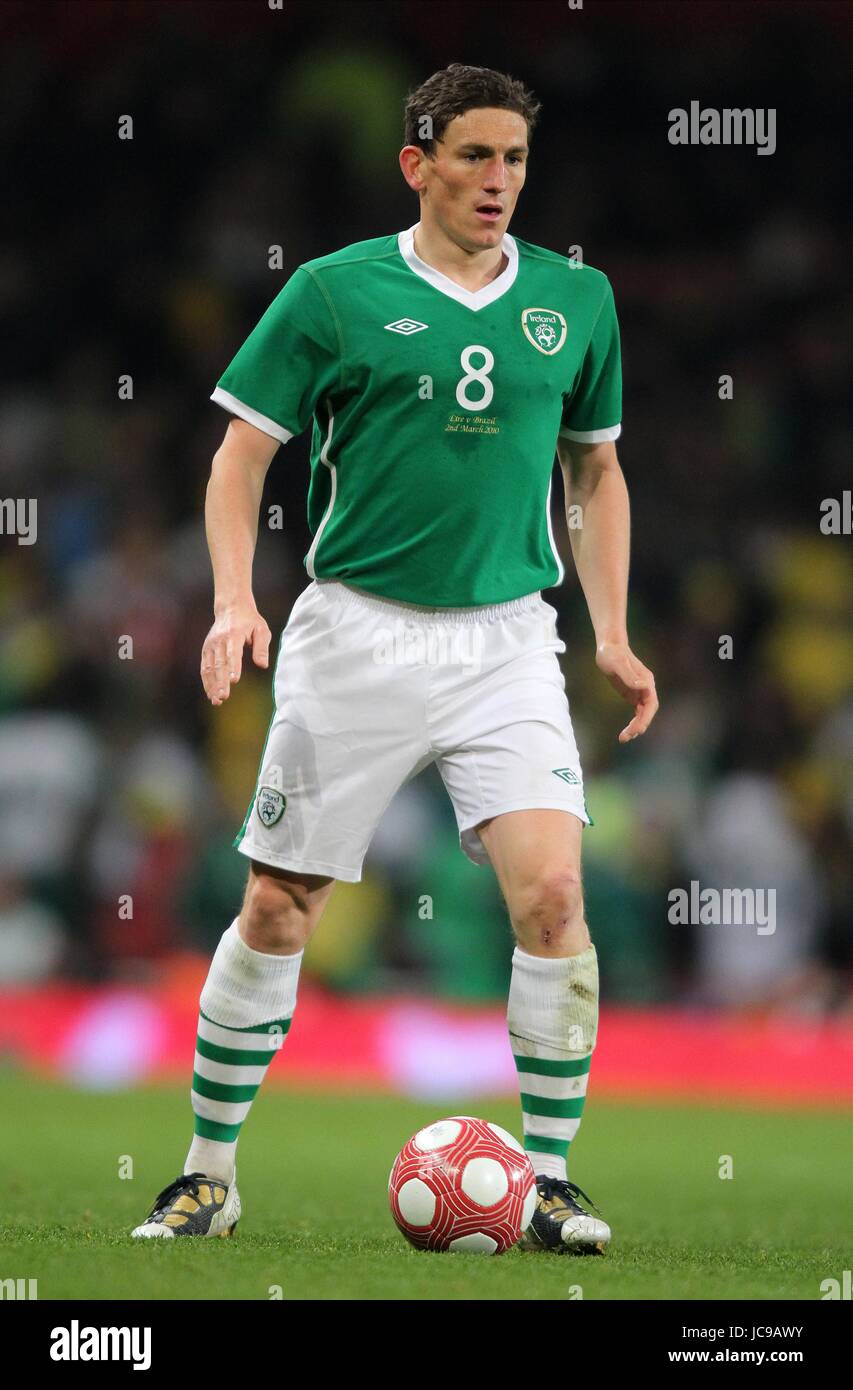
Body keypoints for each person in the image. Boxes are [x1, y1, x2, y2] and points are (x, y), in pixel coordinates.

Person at [132, 63, 658, 1253]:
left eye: (514, 160)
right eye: (472, 156)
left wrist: (613, 632)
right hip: (355, 630)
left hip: (508, 637)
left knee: (555, 896)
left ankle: (550, 1180)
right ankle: (207, 1174)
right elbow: (238, 457)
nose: (498, 182)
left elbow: (597, 470)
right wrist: (232, 600)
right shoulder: (331, 292)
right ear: (415, 164)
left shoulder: (578, 300)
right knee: (275, 906)